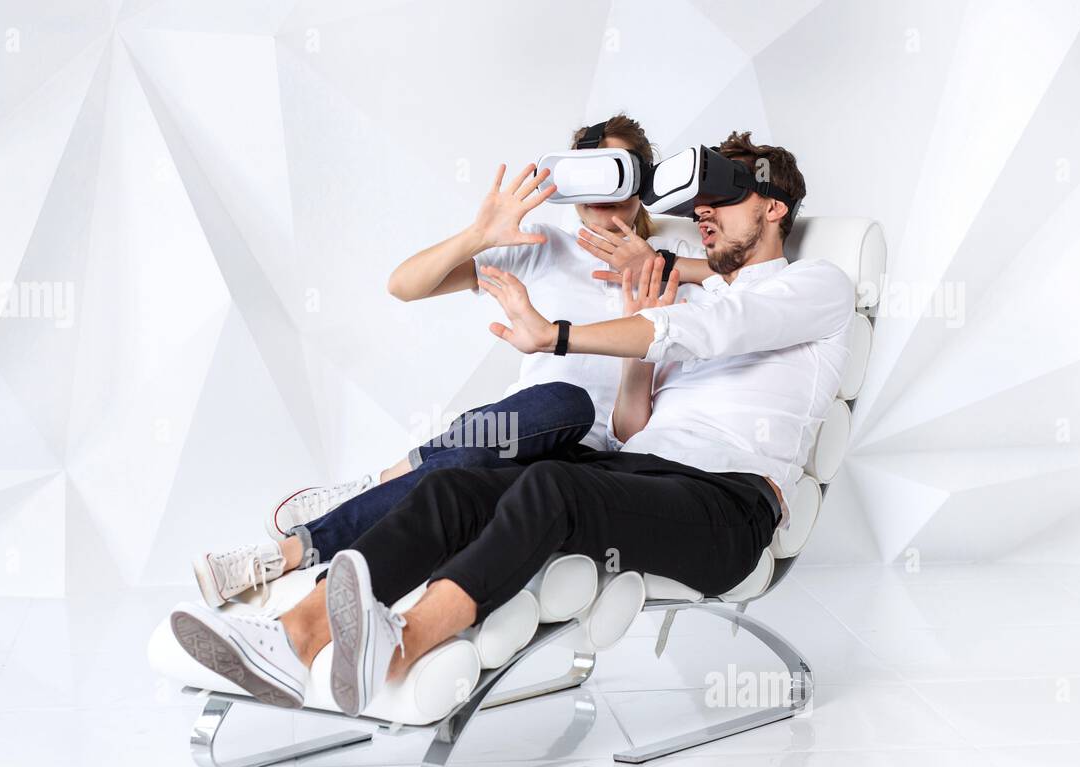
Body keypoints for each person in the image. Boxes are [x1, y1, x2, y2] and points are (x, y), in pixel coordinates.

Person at [170, 131, 855, 717]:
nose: (703, 213)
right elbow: (633, 421)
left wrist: (557, 334)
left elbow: (708, 329)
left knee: (552, 486)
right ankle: (290, 641)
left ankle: (402, 643)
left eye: (723, 200)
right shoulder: (688, 291)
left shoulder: (816, 287)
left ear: (774, 206)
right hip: (643, 475)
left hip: (729, 508)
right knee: (456, 489)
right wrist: (644, 331)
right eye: (698, 205)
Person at [191, 115, 713, 608]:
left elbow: (632, 422)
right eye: (585, 179)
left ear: (641, 185)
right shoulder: (542, 246)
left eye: (614, 179)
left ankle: (383, 480)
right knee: (477, 457)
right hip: (509, 432)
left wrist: (656, 280)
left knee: (568, 405)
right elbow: (404, 285)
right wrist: (478, 235)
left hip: (582, 460)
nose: (600, 198)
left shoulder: (674, 277)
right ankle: (278, 558)